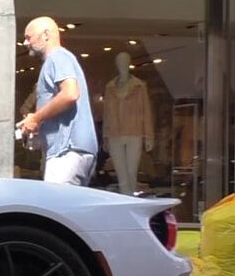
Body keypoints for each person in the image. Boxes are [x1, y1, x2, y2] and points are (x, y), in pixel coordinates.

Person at [17, 16, 98, 186]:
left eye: (28, 37)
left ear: (46, 35)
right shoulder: (58, 59)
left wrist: (36, 118)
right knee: (69, 210)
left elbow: (69, 94)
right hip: (70, 150)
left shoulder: (58, 57)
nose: (25, 42)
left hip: (67, 151)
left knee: (55, 208)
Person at [103, 51, 154, 194]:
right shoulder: (110, 87)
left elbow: (146, 111)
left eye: (125, 61)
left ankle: (130, 199)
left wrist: (148, 135)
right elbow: (106, 113)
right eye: (119, 62)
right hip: (115, 133)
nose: (122, 65)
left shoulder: (139, 86)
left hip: (134, 131)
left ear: (129, 64)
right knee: (121, 174)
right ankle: (126, 200)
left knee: (132, 172)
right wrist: (105, 136)